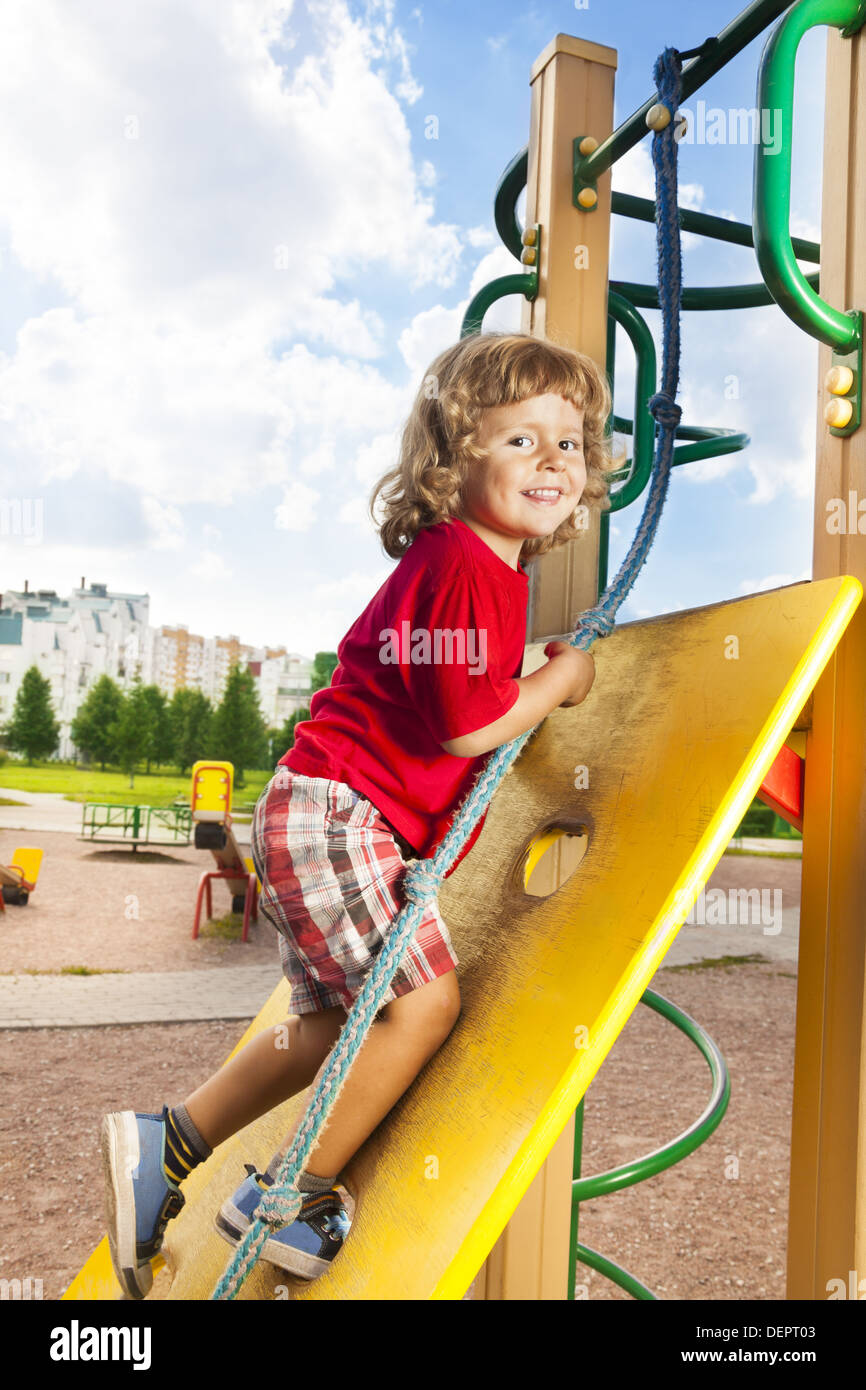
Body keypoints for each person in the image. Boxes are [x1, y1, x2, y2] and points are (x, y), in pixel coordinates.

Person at [100, 330, 614, 1299]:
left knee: (341, 1022)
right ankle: (290, 1193)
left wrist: (530, 668)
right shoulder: (462, 562)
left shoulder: (486, 575)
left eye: (569, 443)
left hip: (324, 811)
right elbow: (465, 726)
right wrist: (560, 678)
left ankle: (167, 1143)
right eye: (520, 440)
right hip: (338, 813)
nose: (552, 461)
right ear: (455, 454)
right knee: (425, 1002)